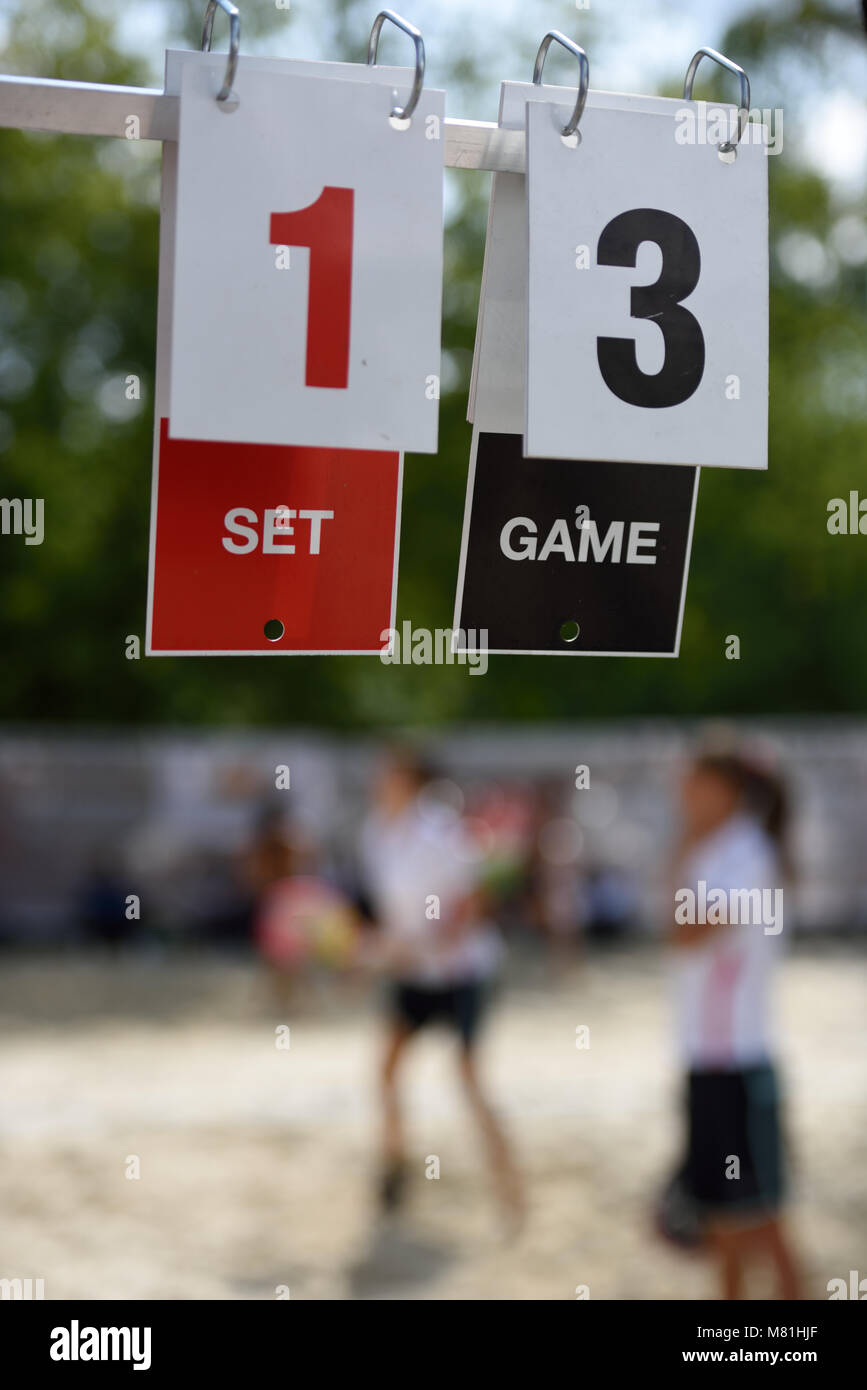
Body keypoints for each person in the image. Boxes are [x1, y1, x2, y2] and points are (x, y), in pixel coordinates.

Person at [360, 748, 524, 1228]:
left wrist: (425, 944)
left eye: (389, 772)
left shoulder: (441, 831)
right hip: (414, 971)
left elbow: (474, 897)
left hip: (460, 972)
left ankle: (508, 1188)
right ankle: (395, 1166)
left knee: (469, 1080)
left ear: (411, 780)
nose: (379, 779)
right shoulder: (377, 831)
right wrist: (382, 949)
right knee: (387, 1071)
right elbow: (394, 911)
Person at [660, 748, 802, 1299]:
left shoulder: (745, 855)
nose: (683, 798)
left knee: (762, 1218)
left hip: (737, 1061)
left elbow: (687, 931)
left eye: (694, 786)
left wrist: (680, 858)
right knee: (722, 1218)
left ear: (726, 791)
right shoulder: (720, 851)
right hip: (709, 1058)